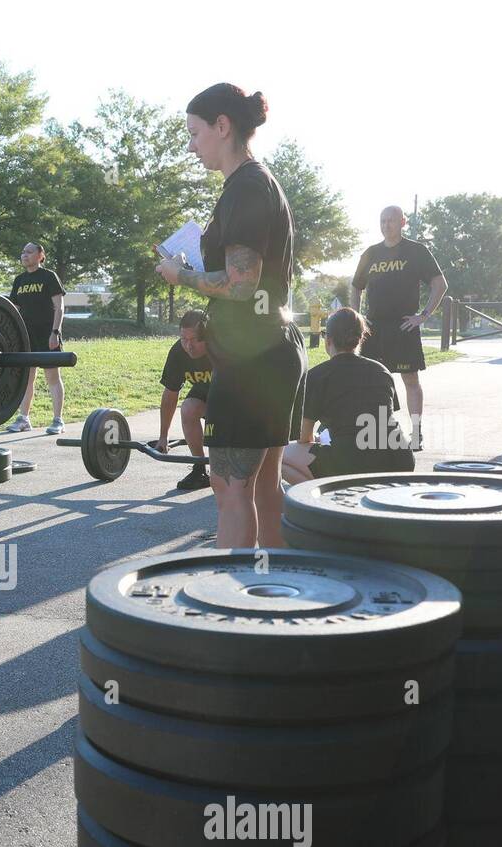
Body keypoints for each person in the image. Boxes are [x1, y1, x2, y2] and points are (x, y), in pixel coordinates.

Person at [155, 83, 305, 548]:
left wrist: (181, 277)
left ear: (223, 126)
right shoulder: (255, 184)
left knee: (230, 488)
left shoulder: (246, 187)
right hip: (272, 349)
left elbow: (241, 283)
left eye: (195, 133)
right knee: (262, 485)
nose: (190, 145)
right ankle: (276, 594)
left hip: (251, 359)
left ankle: (227, 607)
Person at [350, 207, 447, 451]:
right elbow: (356, 287)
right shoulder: (371, 253)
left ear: (403, 222)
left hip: (404, 326)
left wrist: (423, 316)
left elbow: (440, 284)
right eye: (382, 220)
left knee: (410, 380)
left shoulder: (416, 251)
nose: (386, 225)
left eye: (391, 220)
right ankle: (375, 432)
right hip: (373, 328)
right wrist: (356, 317)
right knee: (373, 381)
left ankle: (416, 433)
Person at [282, 308, 414, 485]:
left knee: (279, 457)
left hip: (354, 461)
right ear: (361, 339)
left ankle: (323, 496)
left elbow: (304, 437)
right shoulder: (381, 370)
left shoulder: (318, 375)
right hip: (398, 458)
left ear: (328, 340)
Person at [5, 242, 67, 434]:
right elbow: (14, 311)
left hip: (48, 335)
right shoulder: (19, 280)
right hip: (26, 337)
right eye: (23, 251)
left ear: (41, 255)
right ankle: (24, 419)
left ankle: (58, 420)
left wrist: (55, 332)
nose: (25, 255)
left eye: (29, 252)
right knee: (27, 379)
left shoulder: (49, 277)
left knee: (52, 378)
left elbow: (60, 307)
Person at [149, 309, 213, 492]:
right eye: (184, 339)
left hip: (234, 399)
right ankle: (200, 468)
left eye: (194, 340)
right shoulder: (178, 352)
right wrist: (163, 437)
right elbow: (170, 395)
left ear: (208, 336)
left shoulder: (222, 349)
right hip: (205, 395)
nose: (188, 346)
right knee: (188, 408)